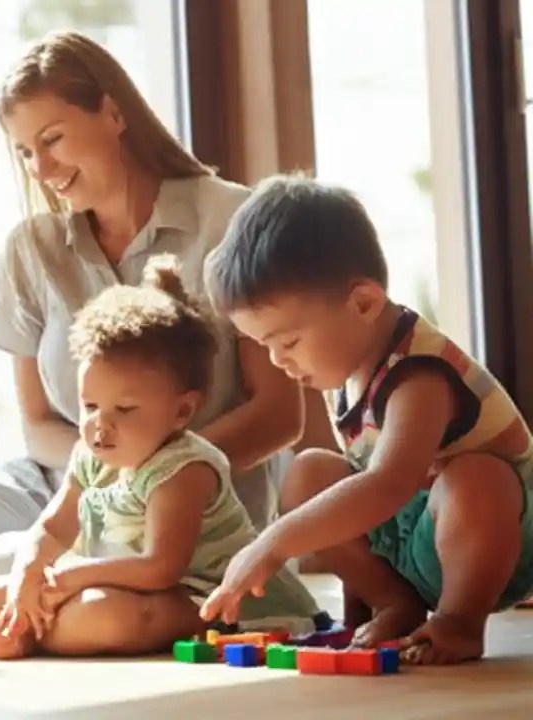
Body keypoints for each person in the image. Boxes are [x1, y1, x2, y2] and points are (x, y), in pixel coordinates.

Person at [0, 29, 304, 611]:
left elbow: (280, 416)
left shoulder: (231, 219)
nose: (41, 167)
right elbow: (38, 424)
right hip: (58, 487)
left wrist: (148, 475)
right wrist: (93, 479)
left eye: (52, 139)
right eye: (24, 152)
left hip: (185, 508)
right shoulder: (32, 248)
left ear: (113, 113)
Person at [0, 256, 322, 665]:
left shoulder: (184, 468)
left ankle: (21, 632)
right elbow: (52, 529)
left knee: (106, 615)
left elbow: (160, 569)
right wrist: (28, 574)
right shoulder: (92, 454)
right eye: (89, 407)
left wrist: (69, 577)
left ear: (182, 411)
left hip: (215, 600)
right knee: (10, 585)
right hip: (128, 583)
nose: (100, 425)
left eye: (125, 410)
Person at [198, 174, 533, 665]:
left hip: (499, 547)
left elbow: (387, 485)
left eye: (287, 341)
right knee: (309, 472)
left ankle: (460, 622)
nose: (277, 362)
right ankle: (396, 602)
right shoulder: (352, 371)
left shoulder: (419, 374)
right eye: (264, 345)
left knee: (474, 477)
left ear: (363, 303)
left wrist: (274, 541)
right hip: (418, 540)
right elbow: (364, 494)